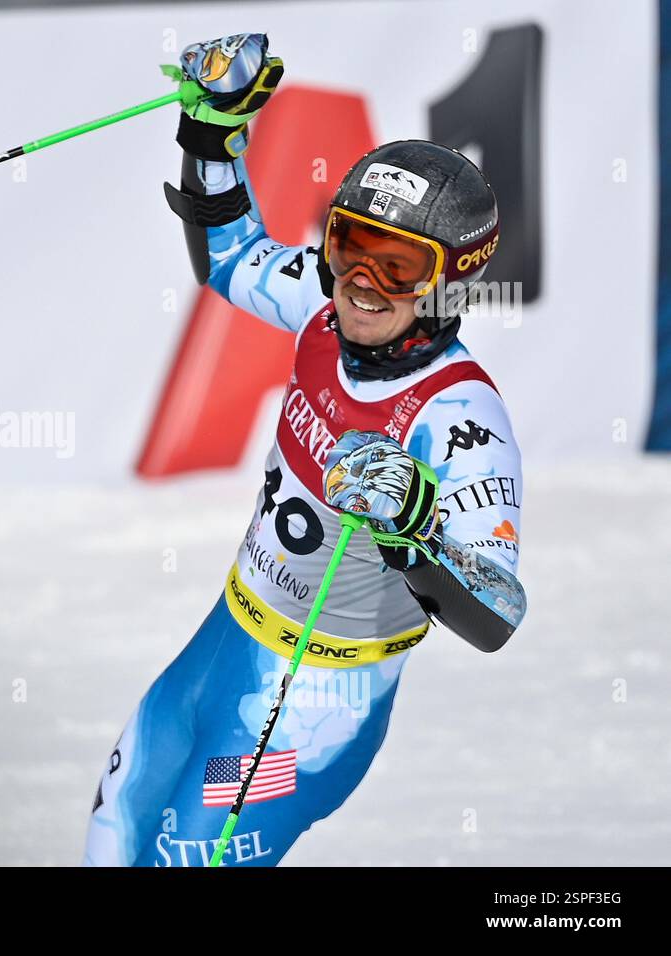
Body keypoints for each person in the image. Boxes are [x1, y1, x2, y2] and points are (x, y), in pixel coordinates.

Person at [84, 33, 527, 867]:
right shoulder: (326, 314)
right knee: (117, 829)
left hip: (318, 698)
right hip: (225, 641)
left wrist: (416, 520)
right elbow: (231, 256)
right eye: (351, 247)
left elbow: (498, 612)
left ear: (446, 283)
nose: (362, 282)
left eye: (397, 268)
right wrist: (212, 133)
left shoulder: (460, 414)